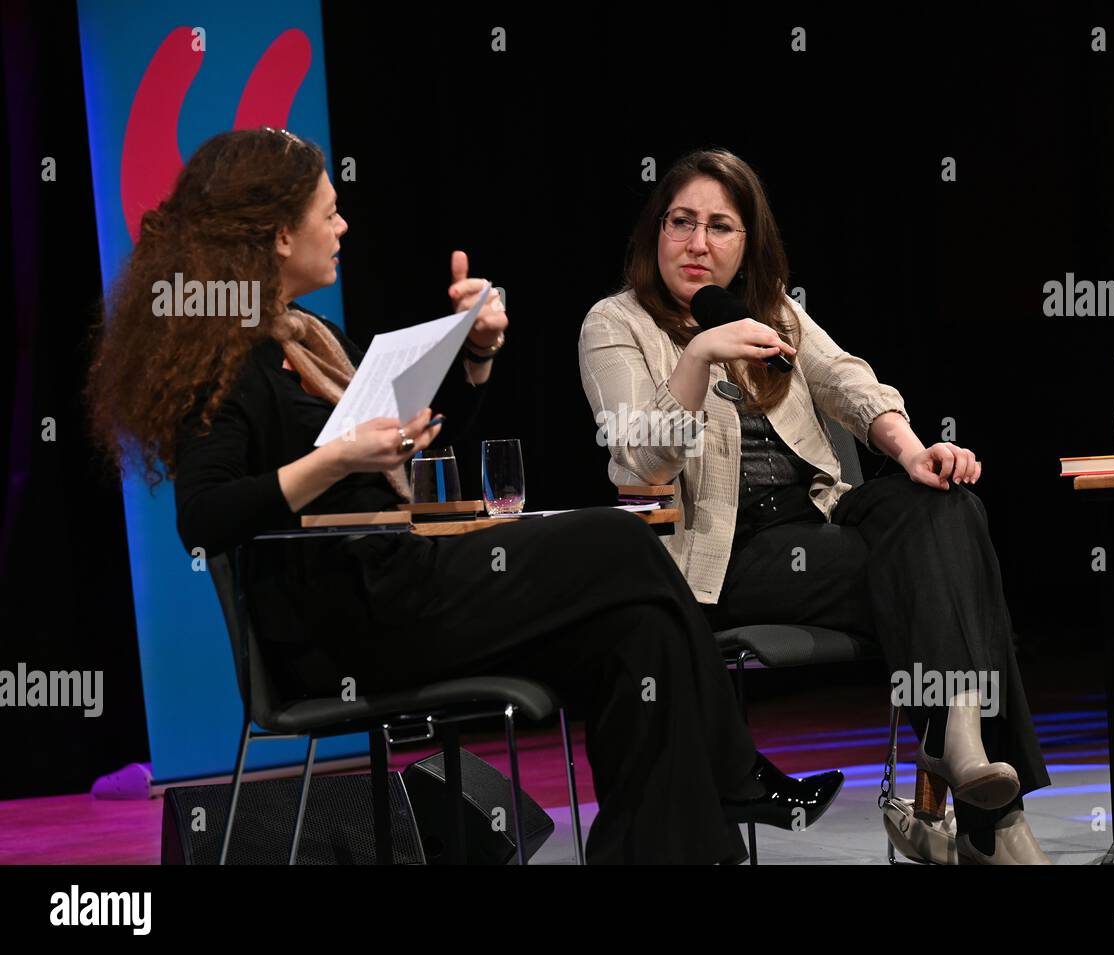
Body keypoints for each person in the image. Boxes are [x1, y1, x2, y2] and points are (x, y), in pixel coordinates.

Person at [84, 128, 842, 865]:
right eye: (328, 209)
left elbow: (415, 448)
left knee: (637, 630)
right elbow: (205, 514)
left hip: (394, 582)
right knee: (616, 539)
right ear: (279, 235)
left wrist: (472, 353)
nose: (344, 224)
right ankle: (737, 776)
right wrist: (337, 455)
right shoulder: (229, 353)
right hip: (345, 616)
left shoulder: (309, 335)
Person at [578, 147, 1053, 864]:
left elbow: (848, 383)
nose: (698, 243)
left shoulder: (776, 316)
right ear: (655, 232)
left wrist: (914, 449)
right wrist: (700, 353)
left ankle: (957, 741)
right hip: (725, 553)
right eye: (681, 222)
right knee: (958, 566)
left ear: (748, 244)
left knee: (948, 505)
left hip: (822, 521)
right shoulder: (614, 323)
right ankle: (985, 808)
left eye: (720, 227)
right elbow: (641, 455)